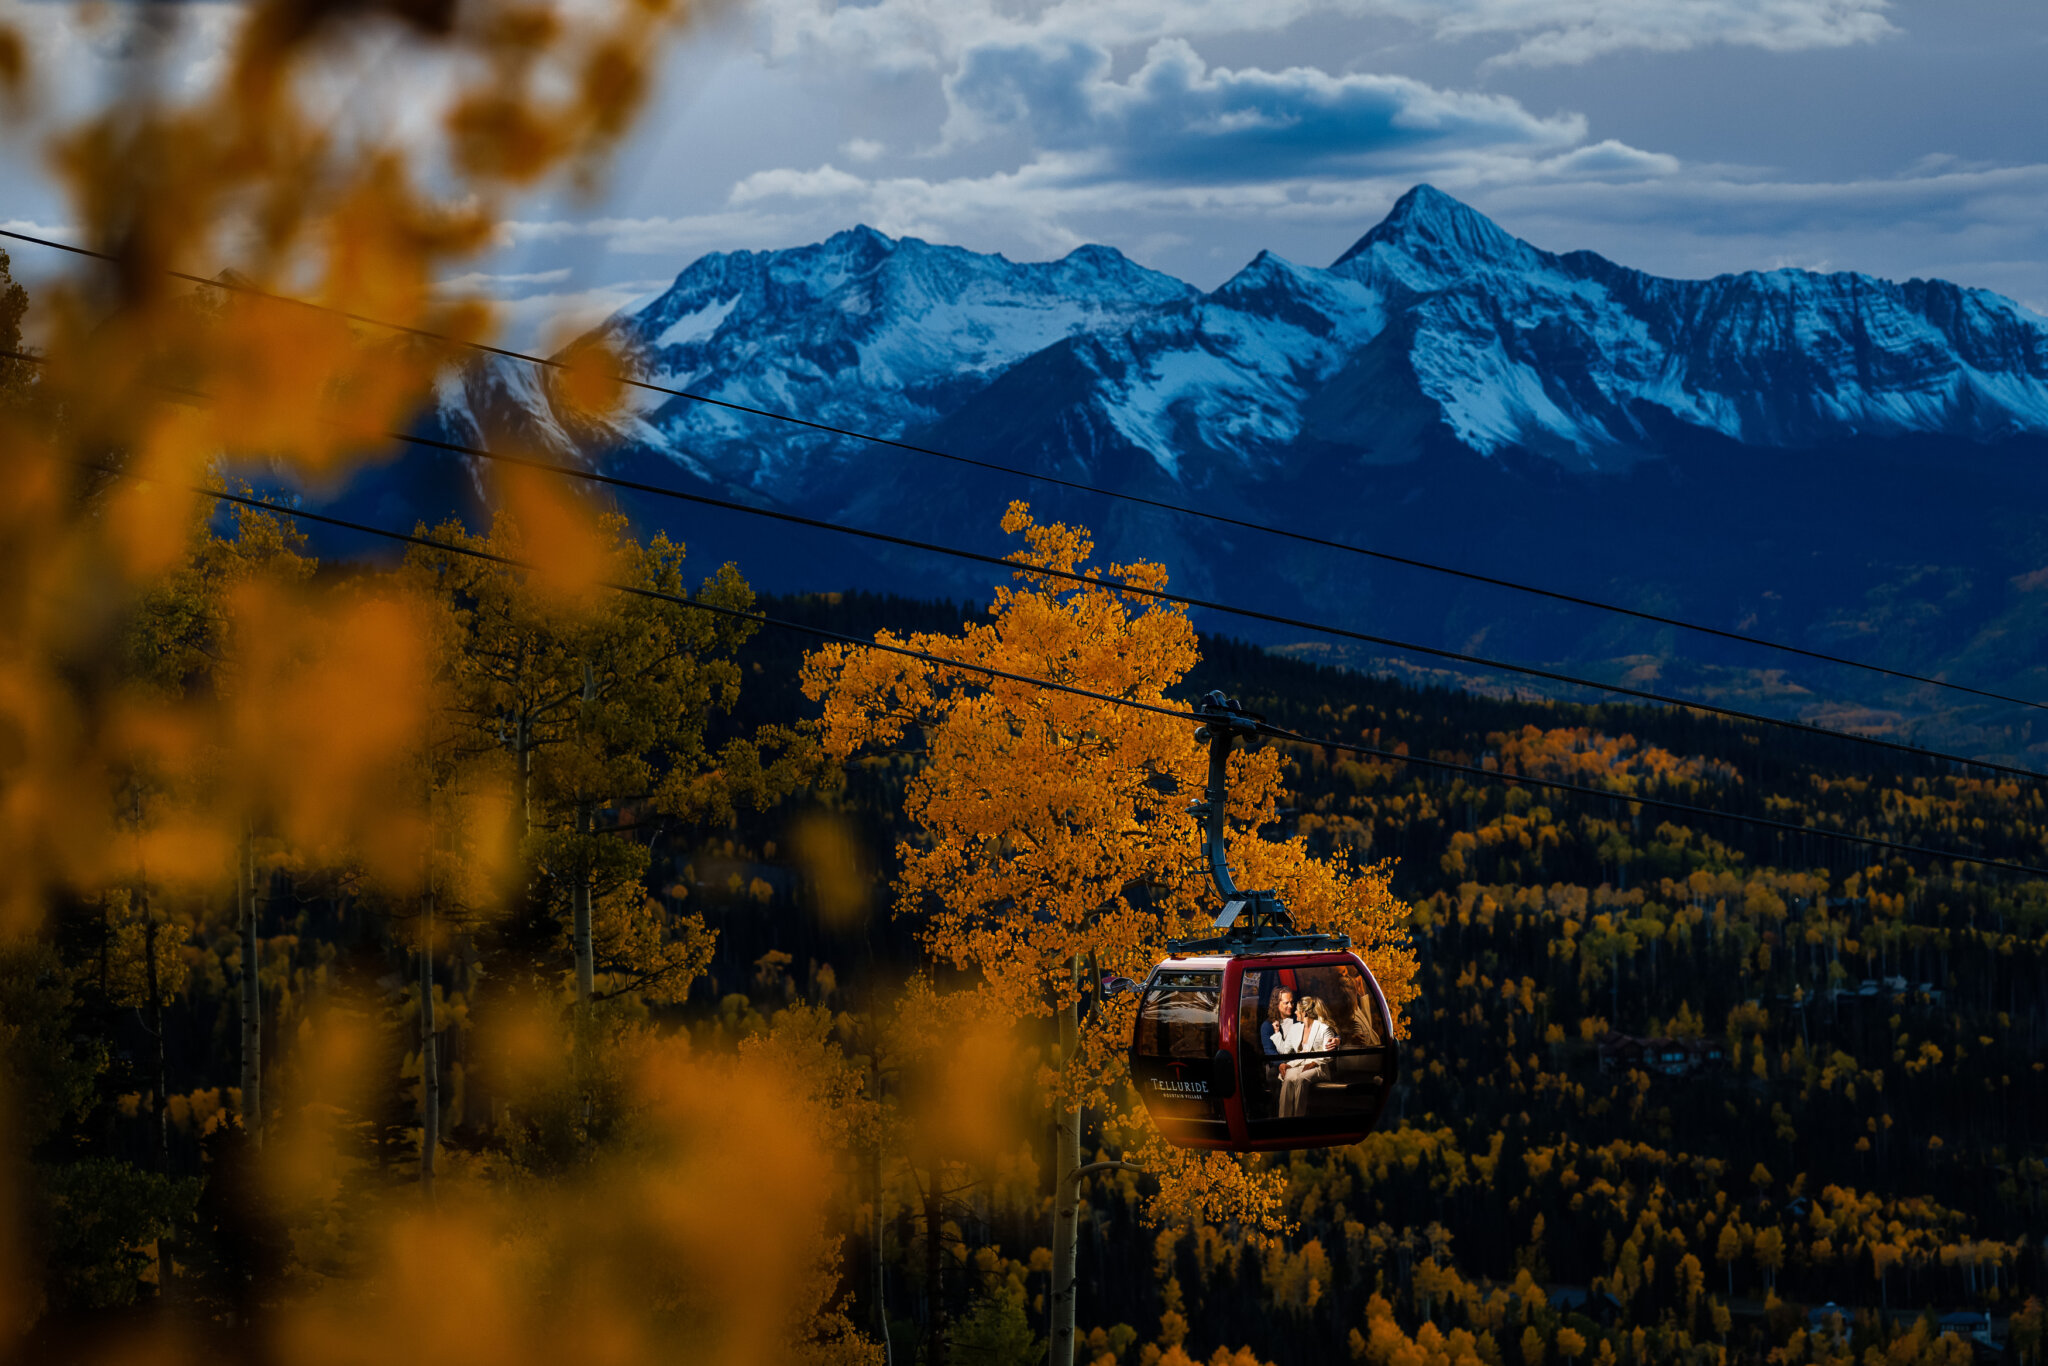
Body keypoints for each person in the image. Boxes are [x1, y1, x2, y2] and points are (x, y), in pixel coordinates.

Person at [1277, 996, 1336, 1117]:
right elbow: (1285, 1051)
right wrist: (1283, 1062)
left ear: (1304, 1013)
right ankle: (1283, 1120)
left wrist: (1314, 1063)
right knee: (1288, 1079)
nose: (1294, 1012)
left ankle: (1299, 1119)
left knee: (1301, 1079)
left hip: (1318, 1067)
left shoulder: (1324, 1029)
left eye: (1297, 1010)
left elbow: (1329, 1054)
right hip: (1298, 1065)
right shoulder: (1295, 1028)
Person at [1261, 989, 1302, 1058]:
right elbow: (1270, 1051)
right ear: (1276, 1003)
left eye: (1292, 1002)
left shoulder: (1299, 1020)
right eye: (1286, 1003)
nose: (1290, 1006)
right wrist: (1281, 1064)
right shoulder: (1267, 1026)